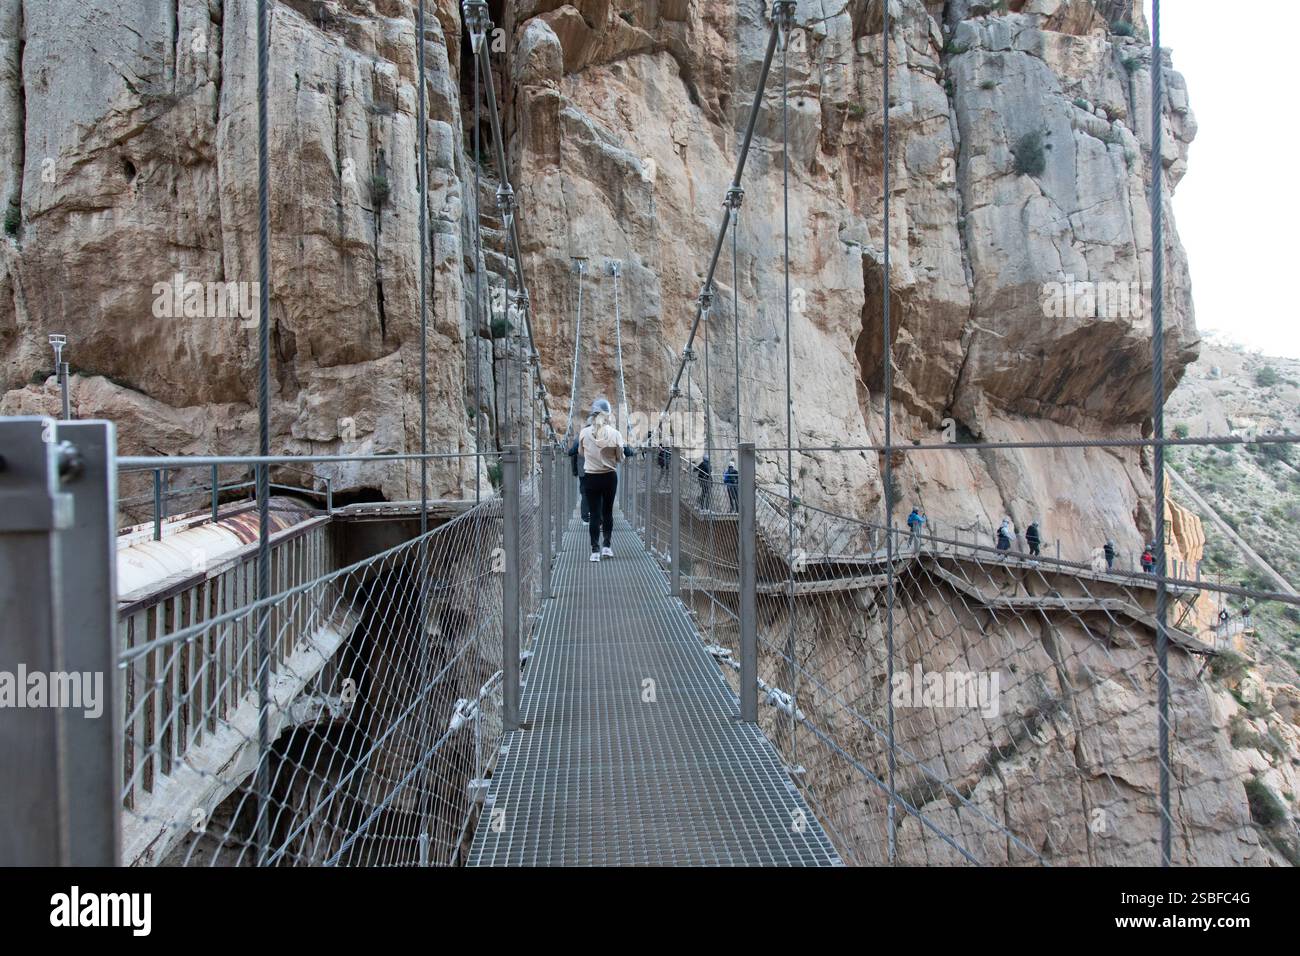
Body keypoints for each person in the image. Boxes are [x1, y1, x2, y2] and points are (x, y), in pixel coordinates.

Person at [579, 398, 625, 561]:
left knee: (594, 514)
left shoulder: (584, 433)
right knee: (607, 512)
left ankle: (594, 552)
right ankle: (606, 547)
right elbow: (620, 458)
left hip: (591, 477)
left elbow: (581, 453)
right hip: (609, 477)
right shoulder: (616, 434)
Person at [568, 415, 593, 524]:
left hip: (584, 470)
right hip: (600, 469)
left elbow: (572, 452)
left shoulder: (581, 434)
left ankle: (585, 519)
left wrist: (574, 470)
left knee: (585, 493)